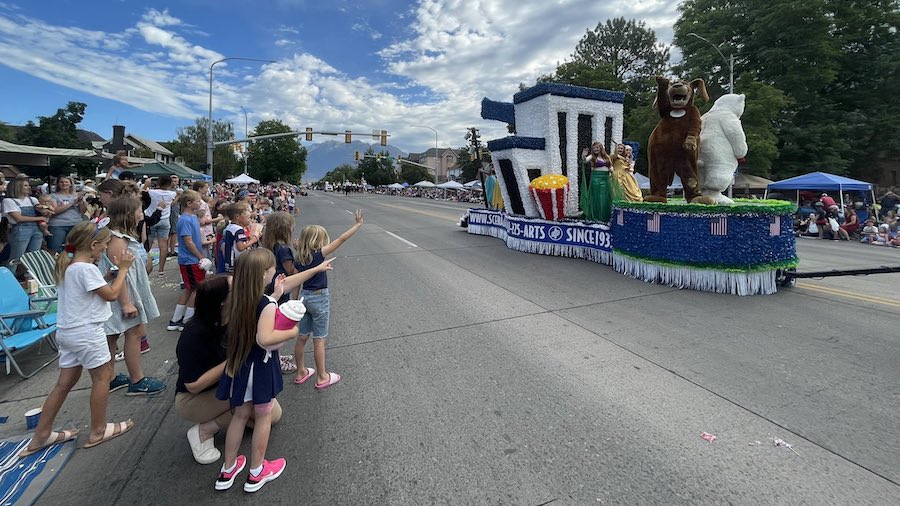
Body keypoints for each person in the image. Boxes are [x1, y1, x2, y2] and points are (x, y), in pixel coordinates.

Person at [18, 221, 135, 457]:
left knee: (64, 384)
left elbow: (89, 291)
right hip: (87, 333)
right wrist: (123, 270)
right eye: (102, 247)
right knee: (102, 377)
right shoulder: (86, 269)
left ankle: (41, 435)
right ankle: (98, 430)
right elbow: (111, 295)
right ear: (92, 245)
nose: (104, 251)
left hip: (68, 333)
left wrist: (107, 275)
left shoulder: (69, 267)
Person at [176, 275, 284, 465]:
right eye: (236, 289)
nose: (243, 289)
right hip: (195, 398)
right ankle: (205, 430)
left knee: (272, 414)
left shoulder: (236, 315)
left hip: (230, 383)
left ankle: (237, 416)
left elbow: (265, 306)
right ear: (222, 302)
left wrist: (276, 292)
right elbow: (193, 385)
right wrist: (234, 360)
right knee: (257, 406)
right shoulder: (194, 334)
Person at [214, 250, 297, 492]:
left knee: (239, 416)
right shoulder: (266, 304)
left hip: (240, 365)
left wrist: (275, 295)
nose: (275, 271)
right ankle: (257, 471)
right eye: (272, 269)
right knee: (263, 417)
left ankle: (227, 469)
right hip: (260, 368)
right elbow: (265, 338)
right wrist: (291, 331)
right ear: (263, 275)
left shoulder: (238, 299)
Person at [292, 210, 363, 389]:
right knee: (319, 340)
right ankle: (322, 376)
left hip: (304, 298)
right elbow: (341, 239)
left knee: (302, 337)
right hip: (319, 298)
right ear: (317, 241)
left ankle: (300, 371)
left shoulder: (299, 258)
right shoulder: (318, 255)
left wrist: (294, 301)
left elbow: (295, 282)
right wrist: (357, 225)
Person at [101, 198, 165, 395]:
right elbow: (119, 273)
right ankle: (137, 380)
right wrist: (127, 303)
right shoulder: (117, 240)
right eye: (139, 210)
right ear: (128, 214)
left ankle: (110, 378)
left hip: (125, 292)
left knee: (112, 336)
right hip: (122, 295)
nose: (142, 214)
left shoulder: (119, 236)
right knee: (134, 332)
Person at [168, 190, 205, 331]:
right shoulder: (185, 220)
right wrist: (200, 257)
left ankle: (176, 320)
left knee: (190, 289)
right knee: (197, 289)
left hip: (191, 260)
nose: (200, 202)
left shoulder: (191, 217)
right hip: (190, 260)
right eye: (197, 200)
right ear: (189, 203)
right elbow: (188, 242)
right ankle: (187, 320)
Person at [2, 177, 50, 263]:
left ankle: (28, 275)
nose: (29, 187)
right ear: (17, 186)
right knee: (16, 257)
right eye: (25, 185)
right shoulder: (8, 201)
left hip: (37, 229)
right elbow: (18, 218)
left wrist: (46, 210)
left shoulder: (33, 199)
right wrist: (40, 218)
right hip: (20, 229)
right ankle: (10, 274)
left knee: (34, 257)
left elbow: (41, 210)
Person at [146, 175, 177, 276]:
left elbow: (143, 192)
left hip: (152, 219)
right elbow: (174, 201)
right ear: (170, 183)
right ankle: (161, 270)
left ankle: (145, 265)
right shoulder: (172, 193)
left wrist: (147, 182)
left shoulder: (152, 192)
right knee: (163, 246)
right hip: (165, 220)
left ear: (158, 183)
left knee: (148, 244)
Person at [217, 202, 258, 274]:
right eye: (248, 218)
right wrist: (252, 241)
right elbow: (240, 247)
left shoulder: (229, 227)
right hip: (236, 261)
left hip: (228, 260)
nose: (249, 220)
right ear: (237, 217)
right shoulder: (238, 230)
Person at [47, 176, 85, 252]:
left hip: (76, 224)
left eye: (66, 182)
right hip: (58, 225)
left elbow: (82, 211)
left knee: (75, 248)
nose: (64, 184)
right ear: (58, 184)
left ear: (71, 184)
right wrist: (72, 203)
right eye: (61, 182)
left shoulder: (76, 195)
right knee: (55, 249)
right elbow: (54, 210)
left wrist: (82, 203)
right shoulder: (53, 196)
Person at [580, 141, 613, 222]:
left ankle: (605, 217)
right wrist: (583, 155)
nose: (595, 149)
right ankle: (596, 217)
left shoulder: (607, 157)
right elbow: (585, 161)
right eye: (594, 148)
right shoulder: (592, 156)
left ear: (601, 148)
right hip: (596, 179)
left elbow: (611, 166)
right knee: (597, 198)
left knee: (605, 198)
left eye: (597, 147)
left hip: (606, 179)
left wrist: (611, 170)